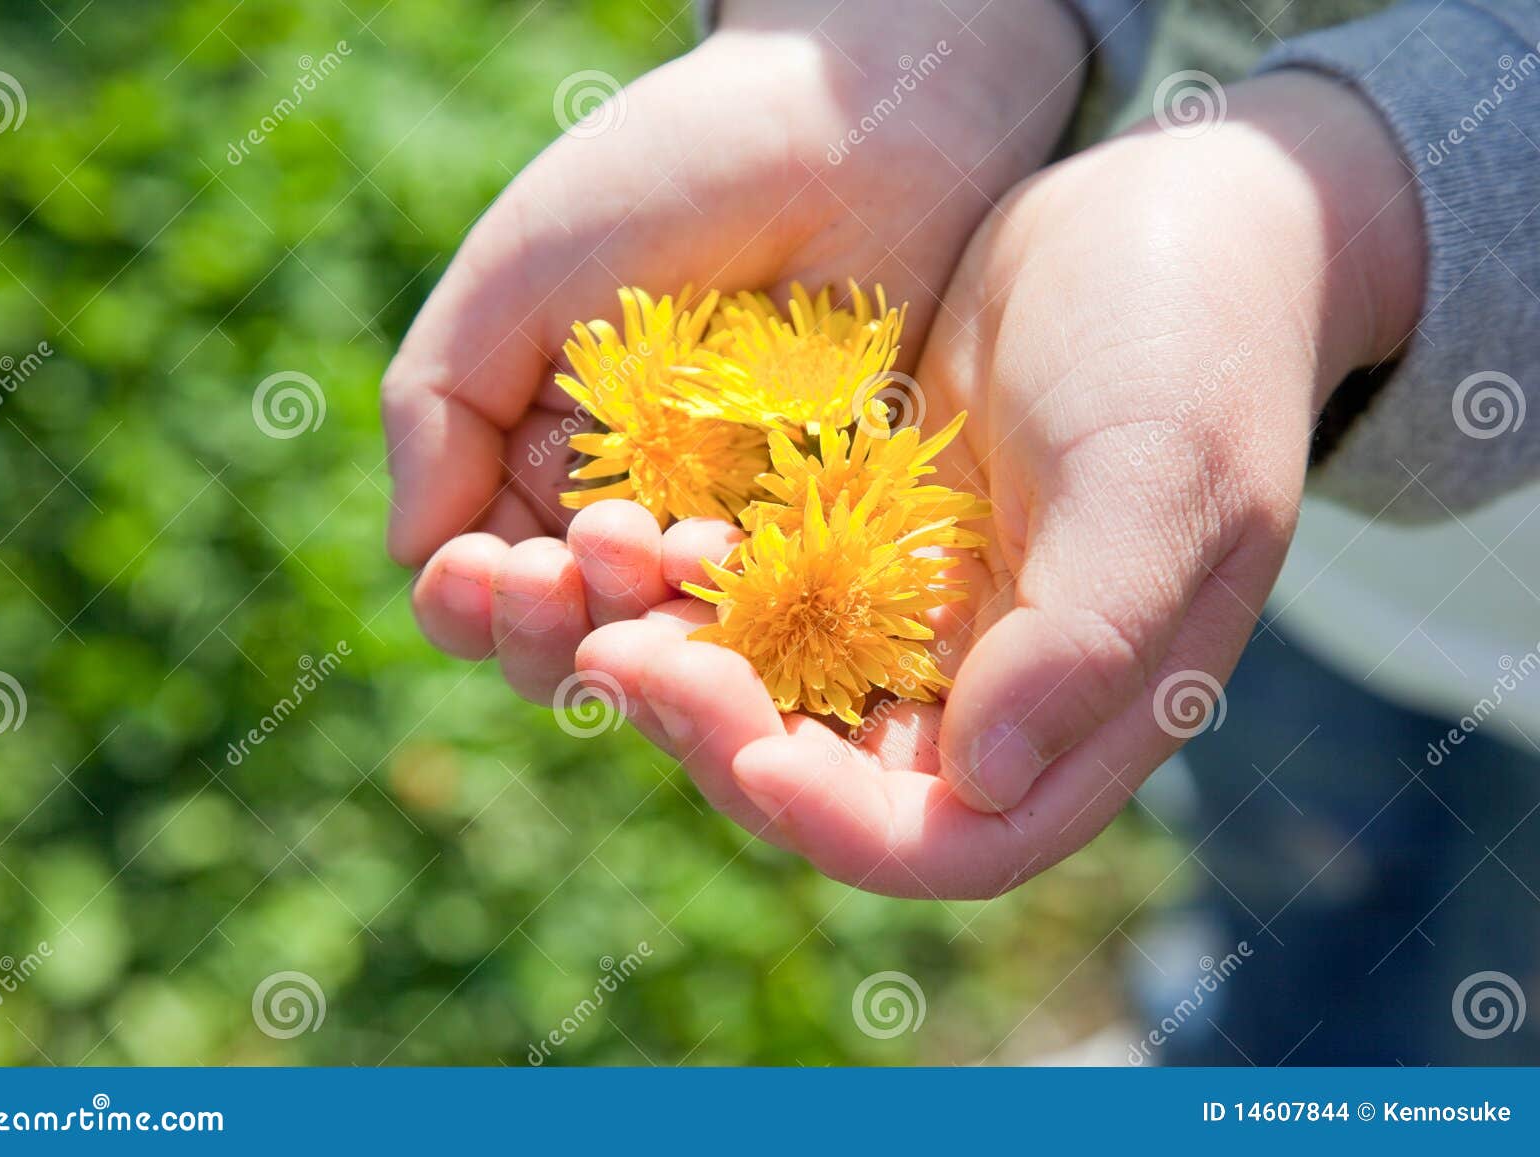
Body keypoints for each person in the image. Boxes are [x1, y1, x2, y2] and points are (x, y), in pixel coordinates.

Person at [382, 0, 1540, 1062]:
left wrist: (1305, 227)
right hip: (1252, 552)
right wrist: (927, 34)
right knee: (1284, 859)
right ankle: (1223, 1041)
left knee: (1484, 979)